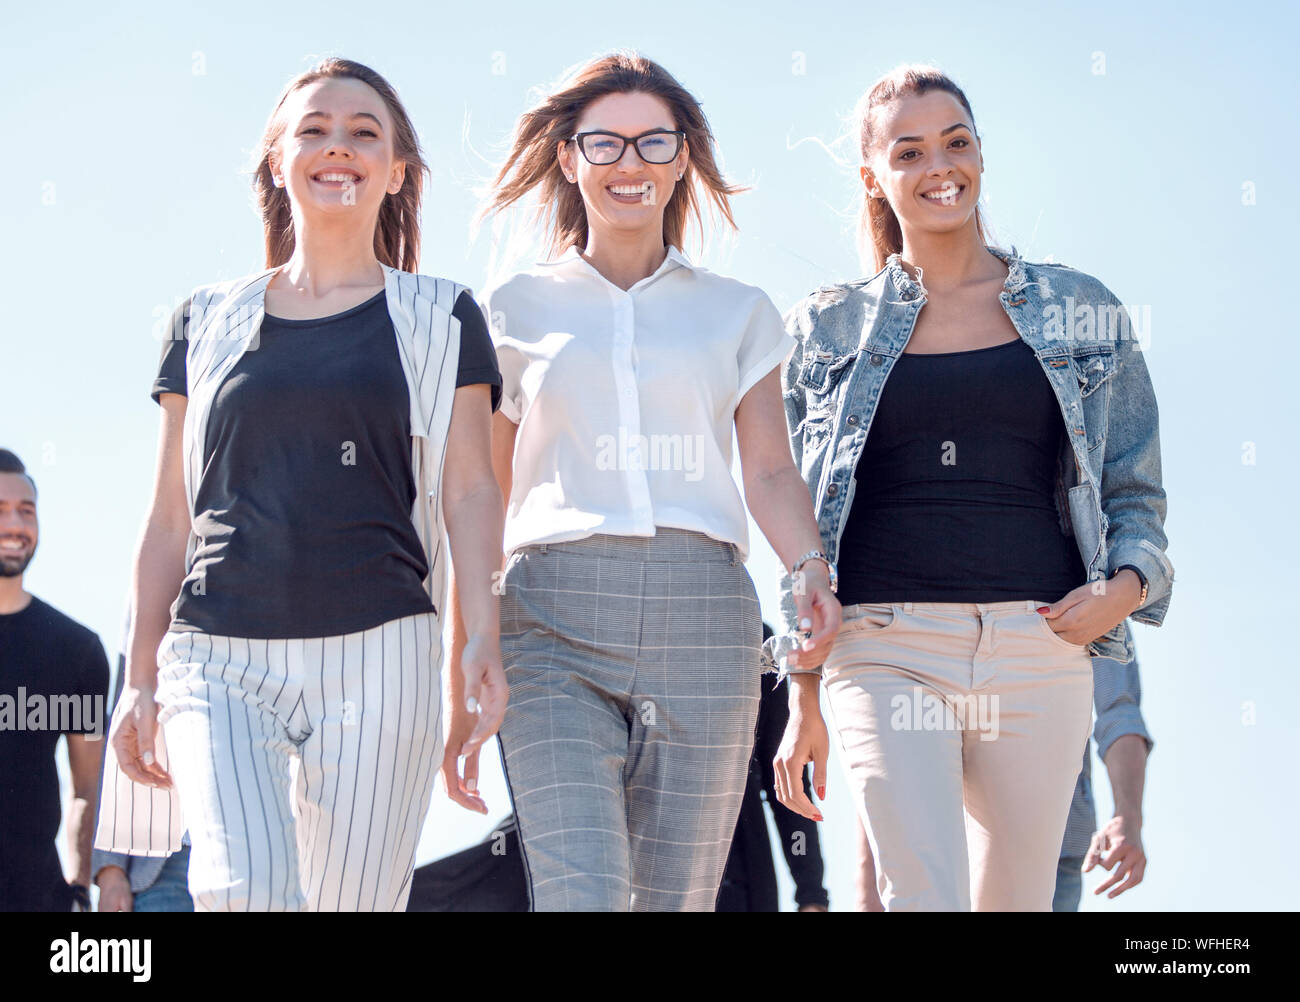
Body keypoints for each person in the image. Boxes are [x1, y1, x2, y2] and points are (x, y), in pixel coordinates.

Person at [95, 58, 507, 912]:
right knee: (245, 892)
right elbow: (171, 515)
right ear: (277, 161)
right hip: (215, 654)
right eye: (314, 130)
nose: (338, 147)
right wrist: (139, 675)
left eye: (365, 133)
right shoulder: (201, 320)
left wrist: (482, 638)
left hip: (381, 652)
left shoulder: (442, 315)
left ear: (397, 173)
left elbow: (471, 491)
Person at [772, 65, 1172, 911]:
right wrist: (803, 687)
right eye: (909, 151)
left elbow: (1135, 491)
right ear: (874, 176)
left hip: (1039, 647)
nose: (938, 167)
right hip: (883, 646)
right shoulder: (827, 325)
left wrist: (1123, 593)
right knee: (922, 894)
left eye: (956, 143)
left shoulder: (1079, 308)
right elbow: (800, 518)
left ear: (981, 154)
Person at [475, 50, 840, 911]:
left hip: (706, 619)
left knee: (674, 900)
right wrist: (473, 633)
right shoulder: (513, 309)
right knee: (583, 891)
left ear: (682, 159)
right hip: (548, 619)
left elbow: (772, 470)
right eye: (604, 144)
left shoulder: (739, 312)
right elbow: (481, 493)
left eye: (653, 143)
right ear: (570, 159)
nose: (629, 164)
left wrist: (810, 570)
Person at [0, 449, 111, 911]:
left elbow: (87, 784)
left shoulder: (74, 651)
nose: (15, 525)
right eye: (0, 510)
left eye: (26, 510)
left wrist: (79, 887)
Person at [717, 624, 829, 912]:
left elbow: (787, 780)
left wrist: (811, 894)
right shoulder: (638, 631)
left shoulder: (753, 638)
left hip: (746, 880)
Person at [92, 610, 195, 912]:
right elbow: (124, 727)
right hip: (164, 861)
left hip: (266, 849)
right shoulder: (157, 579)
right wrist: (110, 869)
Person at [1054, 647, 1152, 910]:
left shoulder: (1100, 606)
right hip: (948, 838)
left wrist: (1127, 817)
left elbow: (1118, 712)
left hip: (1058, 845)